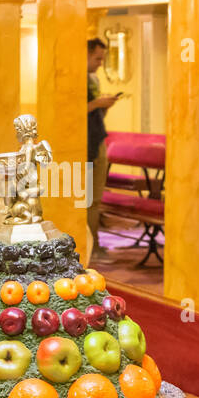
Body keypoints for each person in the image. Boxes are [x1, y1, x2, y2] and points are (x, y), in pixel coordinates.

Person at [86, 38, 120, 261]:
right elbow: (67, 113)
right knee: (86, 199)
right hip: (82, 144)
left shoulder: (93, 80)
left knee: (95, 199)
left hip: (97, 140)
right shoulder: (72, 79)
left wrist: (103, 106)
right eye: (97, 58)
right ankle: (89, 245)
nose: (100, 63)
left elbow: (93, 114)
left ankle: (94, 244)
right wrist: (97, 104)